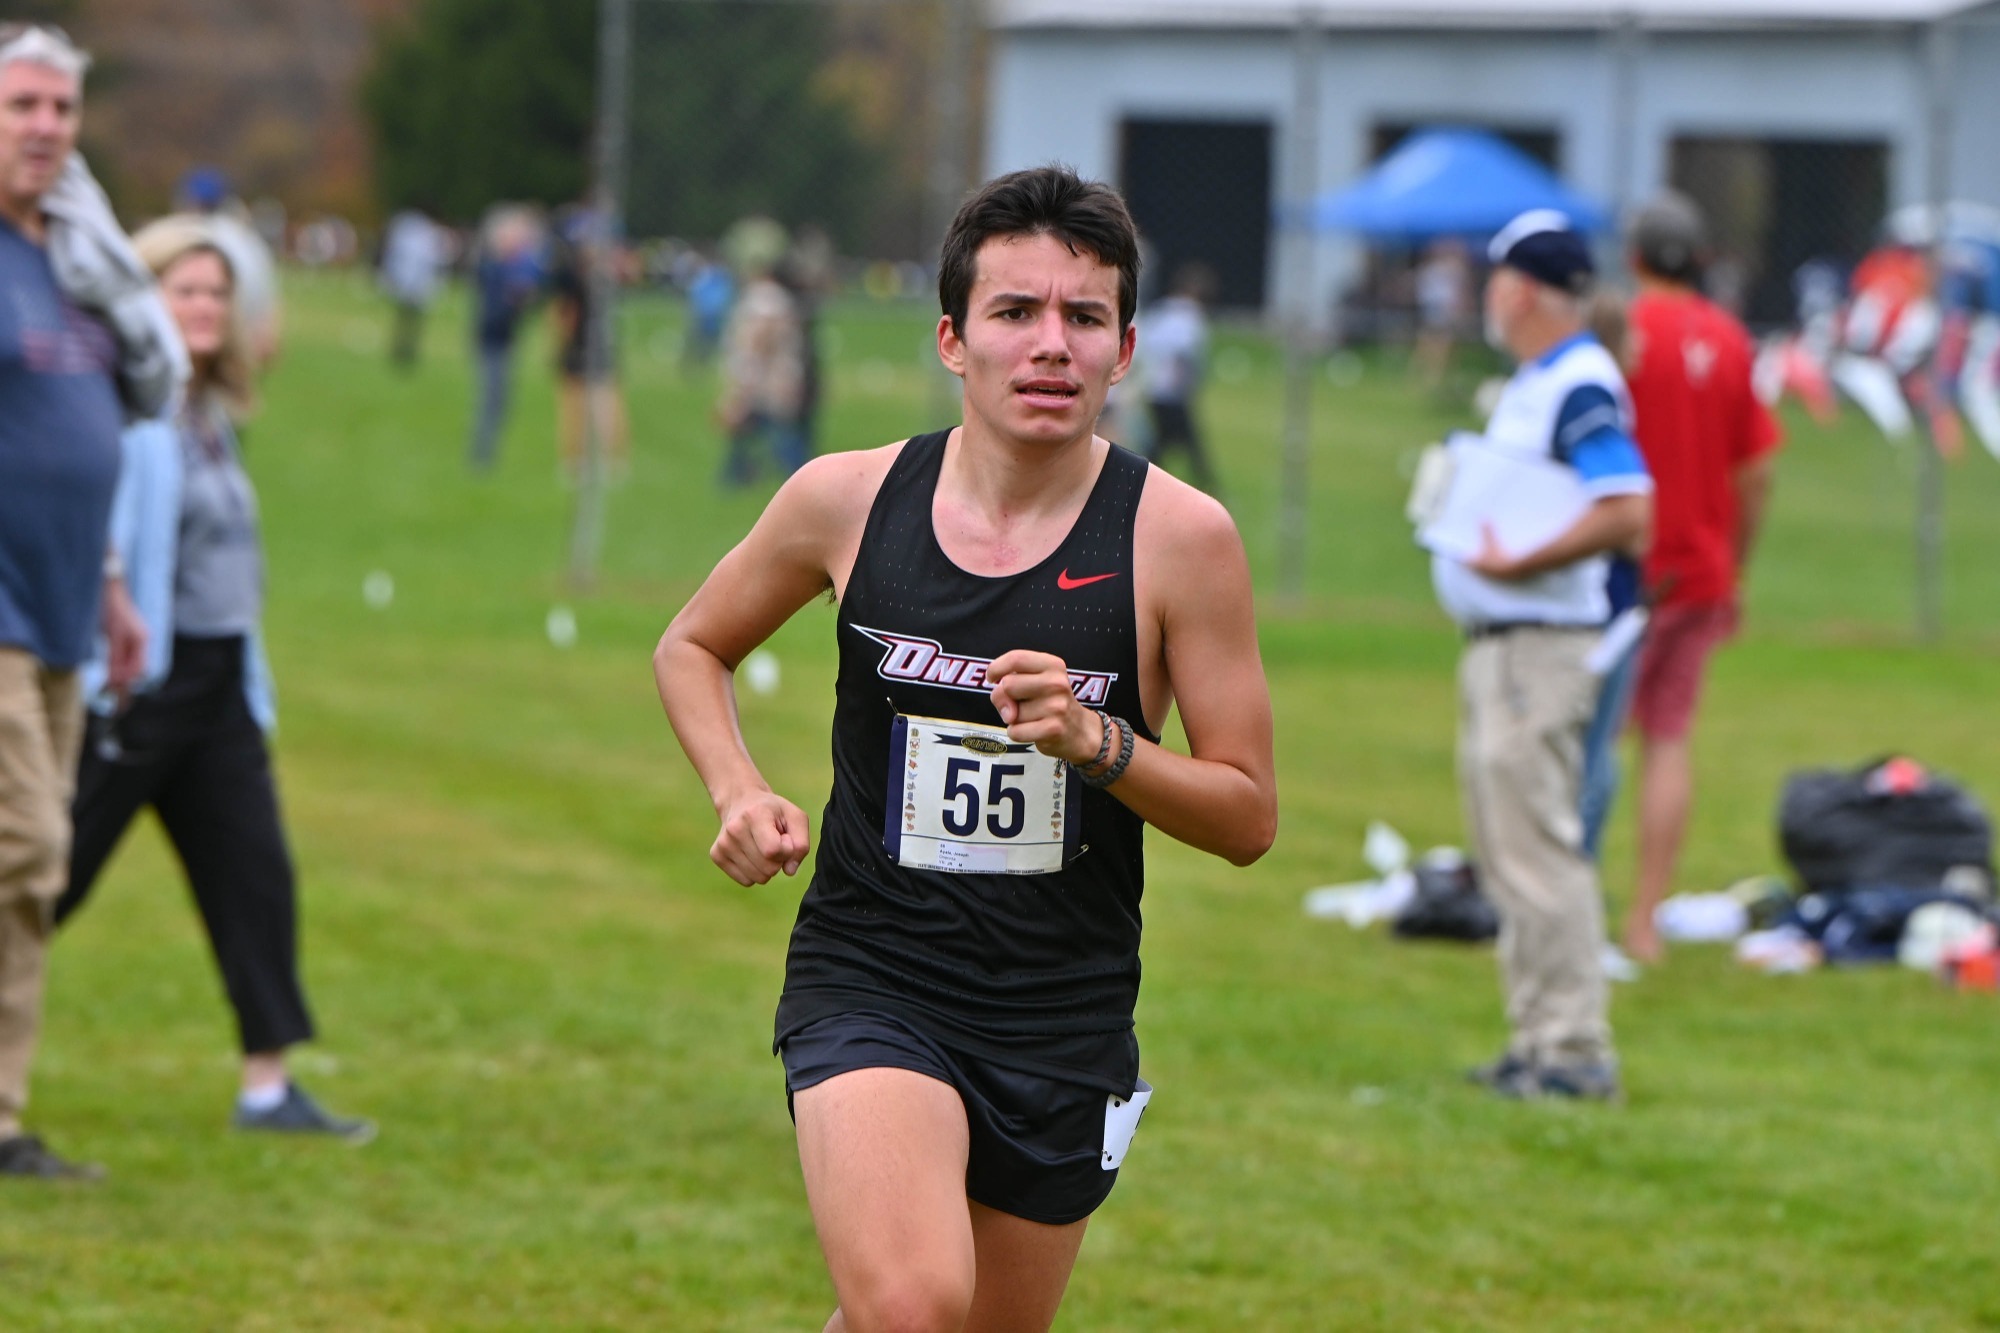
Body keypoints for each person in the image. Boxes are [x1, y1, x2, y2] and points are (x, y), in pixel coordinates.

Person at [654, 166, 1276, 1331]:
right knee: (912, 1305)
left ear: (1124, 349)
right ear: (952, 338)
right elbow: (691, 645)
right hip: (874, 971)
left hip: (1063, 1010)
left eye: (1082, 317)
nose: (1050, 345)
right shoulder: (845, 500)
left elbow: (1246, 815)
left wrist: (1102, 745)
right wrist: (736, 789)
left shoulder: (1181, 539)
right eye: (1014, 313)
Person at [53, 217, 372, 1142]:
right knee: (46, 879)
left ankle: (267, 1088)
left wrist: (251, 688)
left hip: (218, 684)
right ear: (143, 299)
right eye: (183, 289)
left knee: (254, 878)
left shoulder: (208, 415)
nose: (203, 308)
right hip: (139, 687)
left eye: (216, 294)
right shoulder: (128, 414)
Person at [1435, 210, 1652, 1102]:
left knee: (1539, 851)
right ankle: (1536, 1042)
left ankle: (1571, 1051)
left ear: (1520, 286)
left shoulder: (1578, 383)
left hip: (1540, 647)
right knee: (1508, 849)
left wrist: (1517, 560)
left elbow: (1627, 505)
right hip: (1504, 648)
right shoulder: (1541, 380)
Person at [0, 21, 152, 1180]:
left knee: (31, 874)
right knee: (32, 840)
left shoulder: (76, 255)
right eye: (22, 106)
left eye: (60, 108)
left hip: (59, 606)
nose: (46, 126)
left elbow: (83, 431)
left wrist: (106, 586)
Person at [1618, 193, 1782, 965]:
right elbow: (1758, 474)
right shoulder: (1729, 339)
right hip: (1700, 571)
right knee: (1669, 740)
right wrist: (1737, 567)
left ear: (1634, 257)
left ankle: (1560, 902)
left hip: (1619, 571)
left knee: (1588, 745)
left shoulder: (1618, 333)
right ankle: (1644, 919)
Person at [716, 215, 807, 485]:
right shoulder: (775, 296)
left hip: (765, 385)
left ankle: (796, 480)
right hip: (772, 382)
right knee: (761, 435)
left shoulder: (762, 298)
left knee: (776, 436)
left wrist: (745, 386)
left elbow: (760, 343)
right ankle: (741, 478)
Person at [176, 166, 281, 372]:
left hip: (211, 349)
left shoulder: (190, 239)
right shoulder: (249, 240)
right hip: (242, 351)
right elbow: (270, 308)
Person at [550, 205, 627, 479]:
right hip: (597, 343)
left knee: (585, 404)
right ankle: (604, 459)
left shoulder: (579, 278)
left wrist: (559, 342)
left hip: (583, 345)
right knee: (598, 401)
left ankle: (584, 459)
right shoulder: (602, 276)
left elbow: (567, 316)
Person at [467, 203, 545, 471]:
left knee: (500, 402)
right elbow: (495, 311)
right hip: (491, 340)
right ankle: (481, 456)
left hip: (505, 340)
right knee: (491, 399)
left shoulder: (516, 269)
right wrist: (516, 302)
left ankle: (486, 453)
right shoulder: (494, 269)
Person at [1138, 261, 1218, 493]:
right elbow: (1188, 355)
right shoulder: (1192, 318)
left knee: (1163, 438)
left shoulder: (1160, 311)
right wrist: (1190, 384)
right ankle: (1206, 483)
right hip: (1173, 388)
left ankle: (1147, 476)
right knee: (1187, 439)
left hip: (1152, 385)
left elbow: (1143, 344)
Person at [379, 204, 446, 370]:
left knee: (410, 319)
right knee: (407, 318)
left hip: (415, 283)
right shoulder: (421, 235)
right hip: (411, 283)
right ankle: (402, 349)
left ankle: (406, 349)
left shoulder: (420, 234)